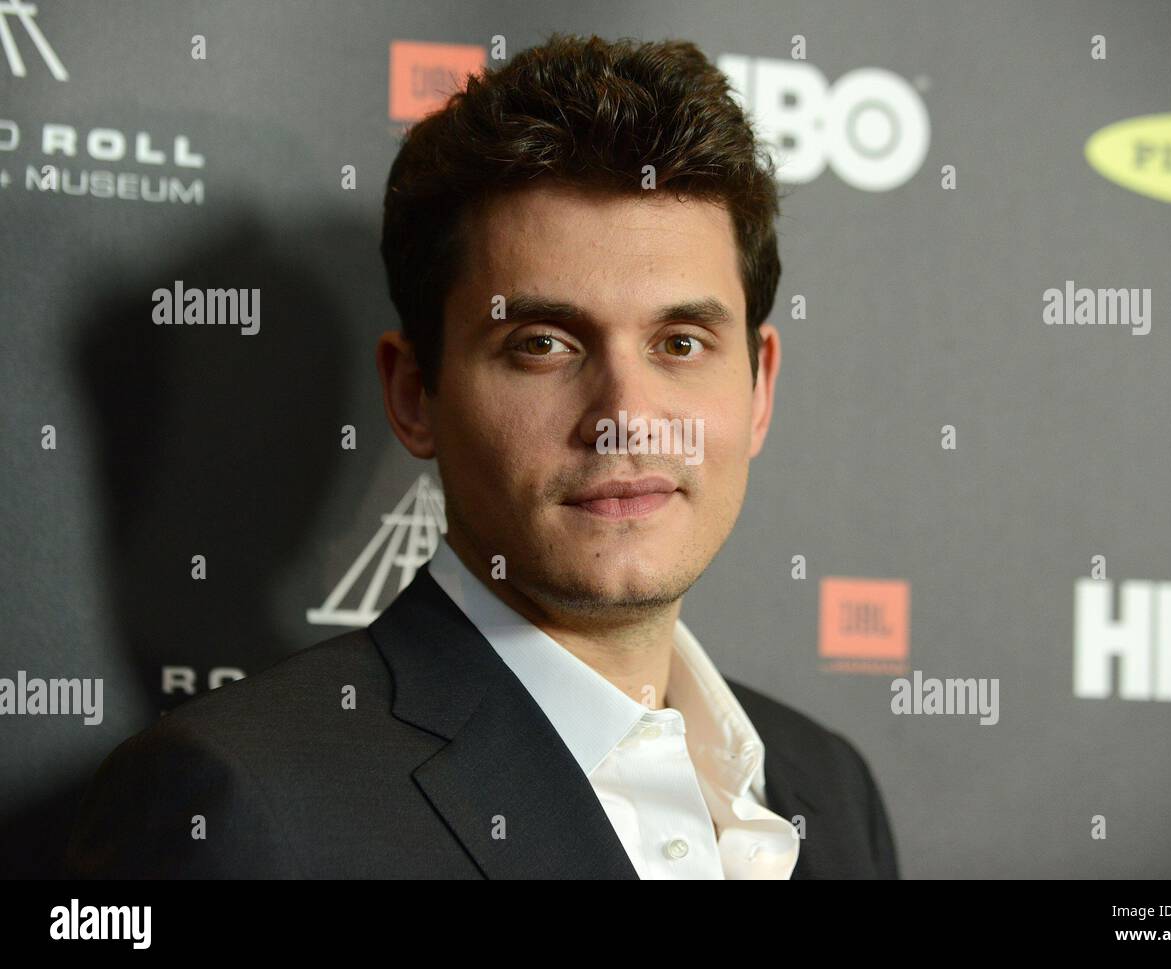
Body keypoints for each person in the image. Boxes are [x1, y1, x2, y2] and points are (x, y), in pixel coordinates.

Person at [63, 32, 898, 879]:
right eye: (543, 342)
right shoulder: (237, 805)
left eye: (681, 342)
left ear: (759, 389)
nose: (627, 418)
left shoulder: (830, 790)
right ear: (413, 394)